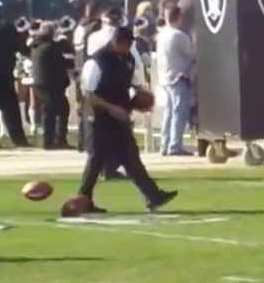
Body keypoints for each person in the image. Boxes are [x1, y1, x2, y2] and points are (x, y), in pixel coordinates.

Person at [76, 27, 178, 213]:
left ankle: (152, 195)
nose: (129, 46)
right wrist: (111, 108)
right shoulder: (97, 61)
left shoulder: (128, 59)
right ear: (116, 42)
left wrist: (140, 97)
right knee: (96, 159)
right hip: (98, 116)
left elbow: (131, 83)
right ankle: (83, 198)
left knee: (131, 156)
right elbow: (89, 94)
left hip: (120, 114)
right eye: (126, 43)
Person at [0, 0, 29, 148]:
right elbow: (19, 46)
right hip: (2, 74)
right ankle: (19, 139)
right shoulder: (6, 28)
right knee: (10, 108)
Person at [28, 21, 73, 149]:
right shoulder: (51, 47)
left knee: (50, 111)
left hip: (40, 82)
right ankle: (55, 140)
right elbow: (60, 65)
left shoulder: (36, 45)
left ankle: (51, 140)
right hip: (51, 83)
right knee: (57, 111)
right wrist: (65, 81)